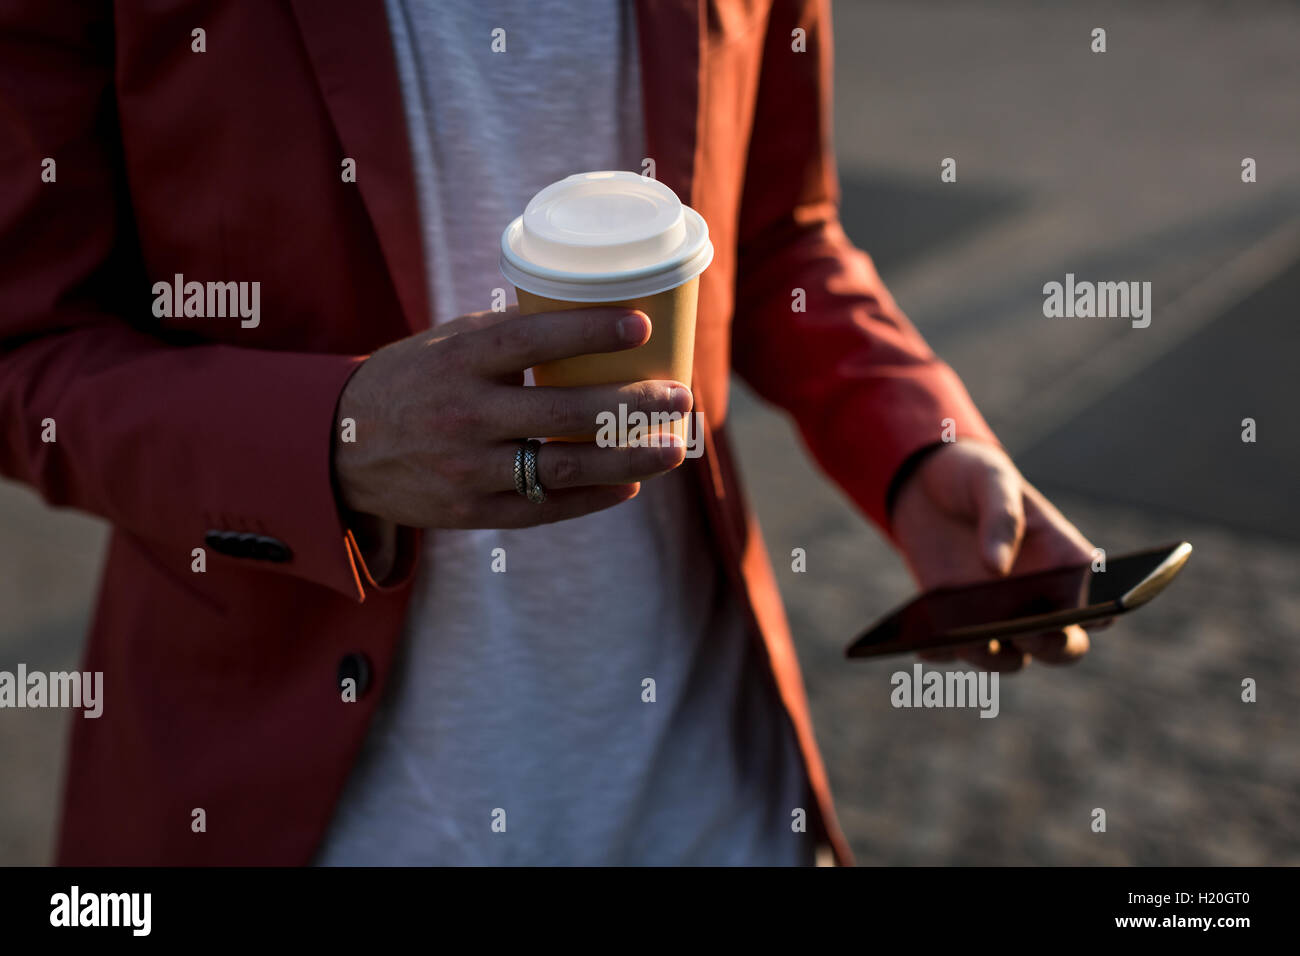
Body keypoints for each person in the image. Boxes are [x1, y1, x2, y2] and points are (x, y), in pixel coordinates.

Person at [0, 0, 1094, 866]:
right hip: (307, 803)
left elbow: (774, 234)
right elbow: (25, 347)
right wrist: (326, 438)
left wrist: (917, 446)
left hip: (712, 791)